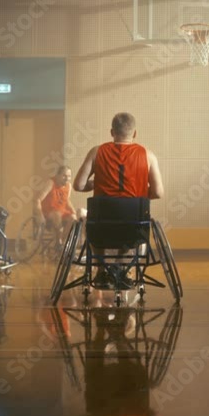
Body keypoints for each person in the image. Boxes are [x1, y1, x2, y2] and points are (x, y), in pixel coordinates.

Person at [74, 113, 164, 289]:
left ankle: (101, 271)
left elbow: (78, 185)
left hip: (101, 227)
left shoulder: (97, 151)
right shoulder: (148, 155)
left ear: (112, 132)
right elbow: (159, 192)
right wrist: (140, 194)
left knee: (93, 224)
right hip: (134, 227)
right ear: (135, 133)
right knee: (129, 225)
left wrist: (95, 183)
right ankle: (121, 267)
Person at [34, 165, 85, 240]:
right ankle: (59, 240)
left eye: (69, 176)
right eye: (64, 176)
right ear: (57, 175)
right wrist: (40, 215)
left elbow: (67, 200)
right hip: (48, 212)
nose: (67, 178)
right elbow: (38, 199)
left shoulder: (68, 186)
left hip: (62, 212)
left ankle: (62, 241)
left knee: (73, 218)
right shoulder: (50, 183)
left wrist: (74, 212)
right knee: (56, 215)